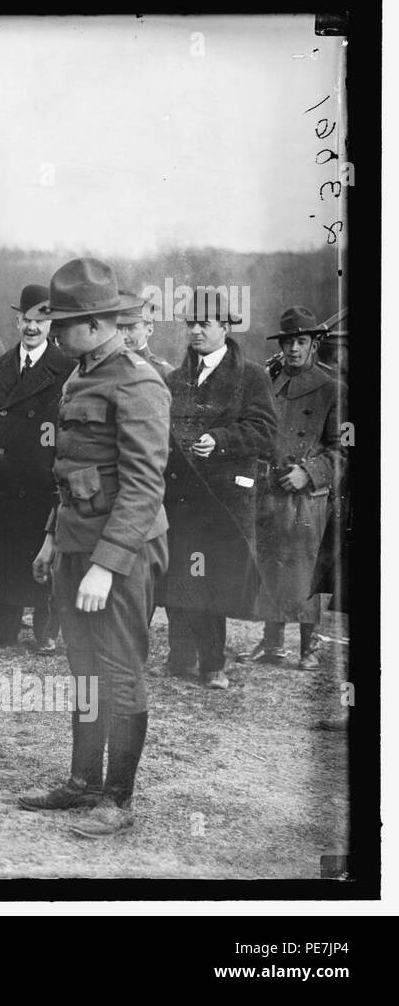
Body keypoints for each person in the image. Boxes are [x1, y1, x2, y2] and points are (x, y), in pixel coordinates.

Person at [21, 257, 171, 838]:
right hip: (77, 544)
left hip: (123, 552)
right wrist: (52, 539)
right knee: (83, 667)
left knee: (120, 669)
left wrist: (106, 568)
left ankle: (118, 798)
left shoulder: (137, 380)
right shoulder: (81, 373)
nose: (54, 333)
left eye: (61, 323)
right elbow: (72, 470)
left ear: (93, 322)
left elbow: (142, 486)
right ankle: (83, 781)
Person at [160, 292, 276, 689]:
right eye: (190, 323)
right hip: (181, 497)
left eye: (204, 324)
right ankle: (179, 656)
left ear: (224, 328)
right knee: (180, 574)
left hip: (223, 500)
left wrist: (220, 440)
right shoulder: (175, 379)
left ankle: (213, 664)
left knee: (212, 580)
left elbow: (264, 431)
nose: (195, 330)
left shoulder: (251, 377)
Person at [242, 307, 347, 670]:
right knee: (270, 564)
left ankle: (309, 645)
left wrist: (310, 472)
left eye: (301, 341)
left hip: (305, 495)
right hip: (269, 487)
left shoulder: (333, 389)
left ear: (315, 343)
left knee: (304, 568)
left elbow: (342, 450)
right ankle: (271, 643)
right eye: (288, 342)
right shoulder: (266, 382)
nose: (293, 349)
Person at [0, 283, 75, 653]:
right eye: (26, 319)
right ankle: (4, 627)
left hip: (43, 477)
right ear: (17, 320)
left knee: (42, 554)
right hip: (4, 477)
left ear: (51, 323)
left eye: (40, 320)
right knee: (6, 552)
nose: (32, 327)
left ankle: (46, 630)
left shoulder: (67, 369)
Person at [116, 296, 173, 378]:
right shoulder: (104, 368)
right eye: (119, 328)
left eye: (131, 328)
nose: (123, 336)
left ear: (149, 330)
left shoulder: (163, 371)